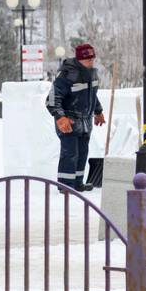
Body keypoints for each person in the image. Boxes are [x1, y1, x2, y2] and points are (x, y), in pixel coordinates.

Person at [45, 43, 105, 191]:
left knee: (82, 153)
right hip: (69, 121)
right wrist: (60, 117)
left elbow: (92, 95)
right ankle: (65, 186)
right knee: (70, 154)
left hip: (85, 122)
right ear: (79, 59)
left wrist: (98, 111)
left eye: (93, 59)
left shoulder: (92, 73)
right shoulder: (67, 73)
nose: (91, 63)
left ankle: (78, 183)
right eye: (88, 60)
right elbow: (52, 100)